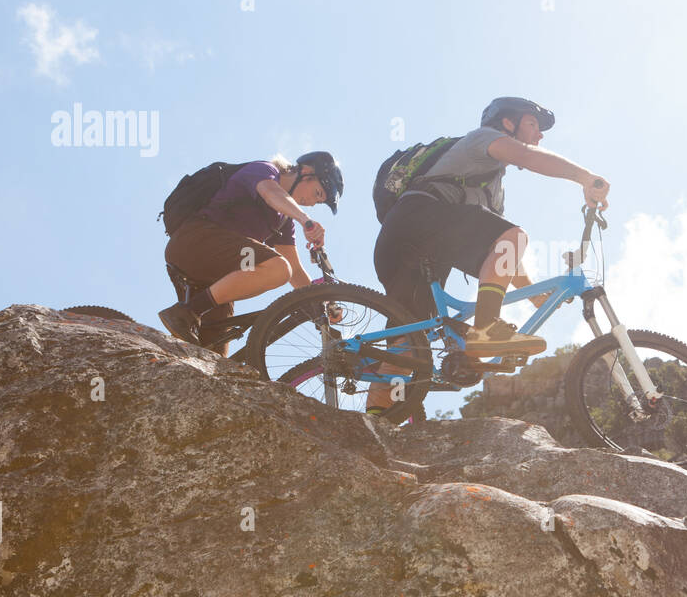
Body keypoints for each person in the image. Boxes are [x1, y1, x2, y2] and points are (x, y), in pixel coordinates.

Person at [368, 97, 609, 414]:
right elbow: (527, 158)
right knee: (516, 235)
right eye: (533, 124)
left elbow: (503, 251)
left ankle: (376, 421)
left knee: (407, 346)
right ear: (507, 122)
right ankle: (485, 327)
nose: (540, 136)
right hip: (418, 219)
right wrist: (586, 177)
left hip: (409, 246)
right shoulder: (481, 139)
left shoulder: (493, 190)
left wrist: (532, 293)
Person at [159, 151, 343, 354]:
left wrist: (321, 302)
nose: (311, 203)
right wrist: (305, 220)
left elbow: (297, 272)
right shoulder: (264, 171)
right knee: (278, 268)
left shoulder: (283, 219)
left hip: (216, 279)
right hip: (193, 241)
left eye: (318, 202)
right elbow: (272, 194)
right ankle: (186, 312)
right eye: (317, 194)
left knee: (214, 357)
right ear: (306, 172)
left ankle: (190, 312)